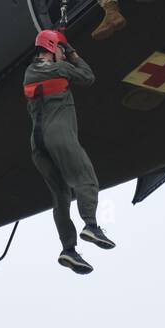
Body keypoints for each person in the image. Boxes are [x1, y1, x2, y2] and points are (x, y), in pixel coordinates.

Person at [24, 29, 115, 274]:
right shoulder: (61, 69)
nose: (63, 56)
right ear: (53, 49)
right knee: (85, 177)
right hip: (59, 136)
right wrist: (73, 53)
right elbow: (88, 77)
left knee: (60, 197)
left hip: (38, 145)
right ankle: (91, 224)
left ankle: (69, 250)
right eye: (60, 52)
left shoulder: (29, 73)